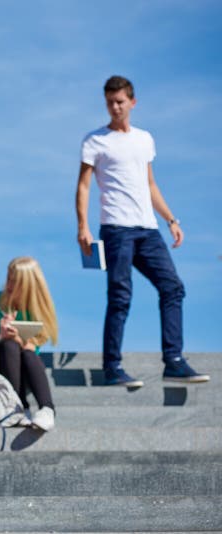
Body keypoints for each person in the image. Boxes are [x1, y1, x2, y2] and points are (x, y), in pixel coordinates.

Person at [76, 75, 210, 387]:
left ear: (132, 102)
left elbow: (149, 184)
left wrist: (171, 220)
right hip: (116, 229)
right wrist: (82, 226)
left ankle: (174, 360)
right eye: (110, 102)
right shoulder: (95, 141)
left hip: (147, 230)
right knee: (120, 296)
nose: (115, 107)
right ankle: (112, 366)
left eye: (120, 101)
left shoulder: (144, 139)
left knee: (173, 287)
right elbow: (83, 186)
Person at [0, 257, 58, 431]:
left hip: (26, 365)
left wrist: (20, 340)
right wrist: (3, 335)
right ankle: (19, 407)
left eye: (15, 282)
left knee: (27, 353)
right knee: (9, 345)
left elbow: (34, 346)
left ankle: (47, 408)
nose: (9, 285)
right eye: (8, 278)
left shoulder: (37, 308)